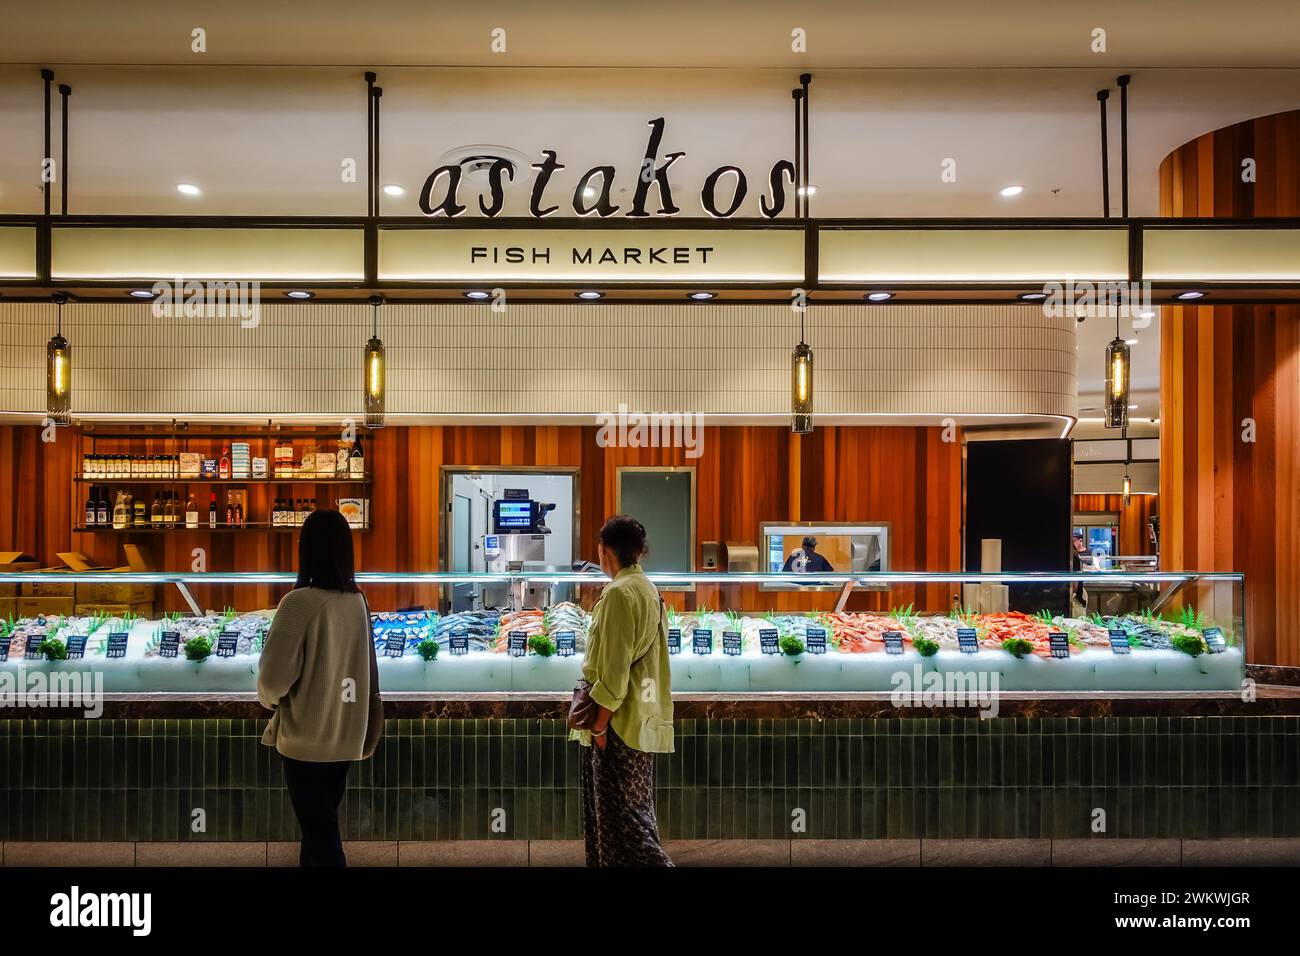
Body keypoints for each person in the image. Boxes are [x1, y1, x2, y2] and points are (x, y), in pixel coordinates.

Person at [257, 508, 382, 867]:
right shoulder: (357, 601)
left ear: (306, 549)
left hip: (305, 742)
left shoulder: (298, 603)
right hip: (347, 737)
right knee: (318, 831)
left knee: (321, 836)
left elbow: (272, 679)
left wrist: (269, 702)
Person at [572, 515, 674, 867]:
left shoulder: (617, 593)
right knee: (634, 813)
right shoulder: (647, 587)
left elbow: (614, 674)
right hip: (641, 719)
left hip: (618, 723)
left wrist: (599, 725)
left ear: (604, 551)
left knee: (624, 824)